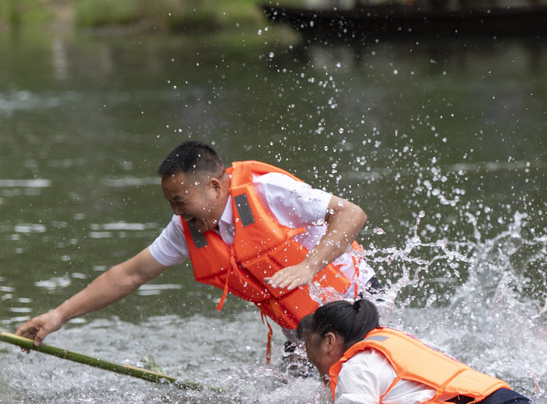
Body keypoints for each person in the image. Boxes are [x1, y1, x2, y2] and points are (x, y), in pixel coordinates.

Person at [16, 141, 372, 358]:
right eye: (170, 203)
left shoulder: (267, 191)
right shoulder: (187, 229)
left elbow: (352, 213)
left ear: (215, 187)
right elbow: (130, 274)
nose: (176, 212)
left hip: (358, 306)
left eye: (180, 201)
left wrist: (310, 266)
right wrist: (58, 315)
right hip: (304, 330)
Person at [299, 299, 547, 404]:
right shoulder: (389, 344)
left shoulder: (354, 369)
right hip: (495, 398)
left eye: (308, 345)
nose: (307, 355)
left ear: (330, 342)